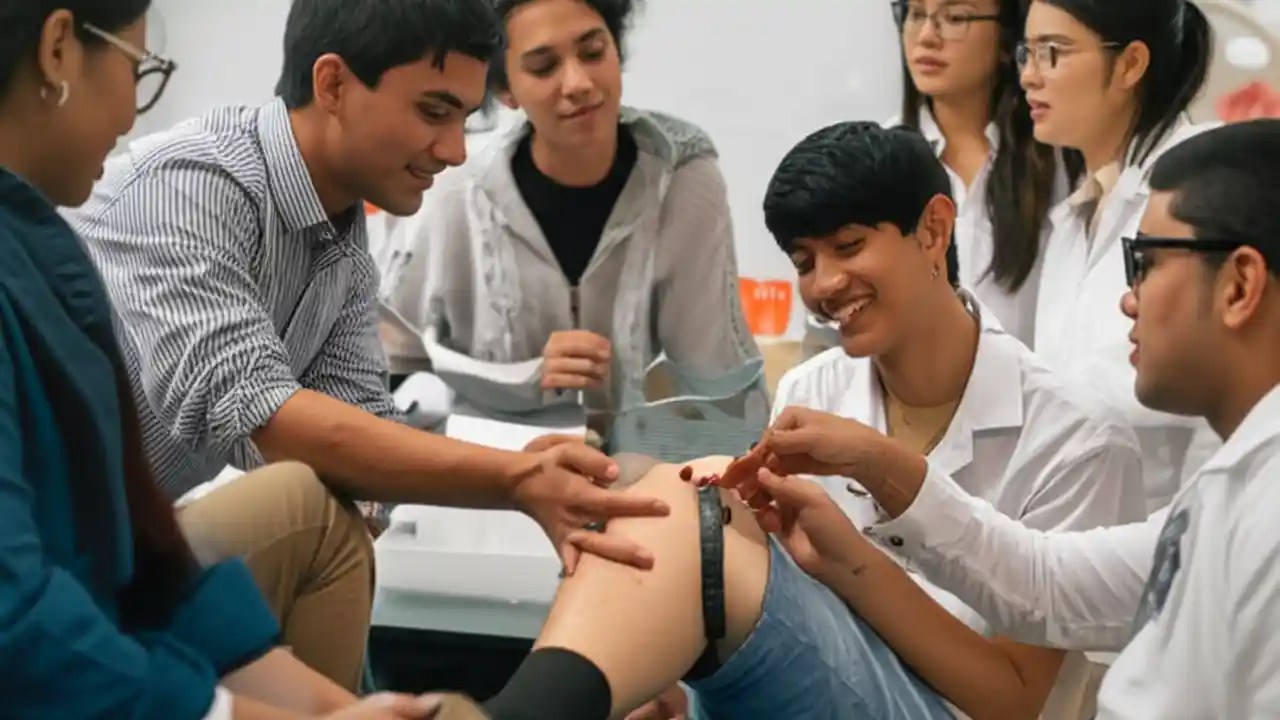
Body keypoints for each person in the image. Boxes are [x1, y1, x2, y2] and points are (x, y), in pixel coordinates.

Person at [421, 121, 1144, 720]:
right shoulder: (814, 386)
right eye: (805, 260)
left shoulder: (1076, 437)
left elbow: (1012, 701)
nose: (825, 285)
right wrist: (664, 673)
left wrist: (854, 559)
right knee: (674, 491)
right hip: (815, 687)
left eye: (850, 247)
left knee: (695, 497)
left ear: (932, 230)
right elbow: (771, 601)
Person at [63, 0, 669, 677]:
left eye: (466, 120)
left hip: (116, 554)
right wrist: (515, 477)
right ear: (333, 85)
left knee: (338, 515)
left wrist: (519, 459)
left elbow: (359, 444)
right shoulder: (188, 184)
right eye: (434, 113)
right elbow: (264, 416)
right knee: (310, 511)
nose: (456, 150)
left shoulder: (343, 245)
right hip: (48, 565)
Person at [730, 119, 1280, 718]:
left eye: (1142, 264)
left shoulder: (1088, 441)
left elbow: (1023, 671)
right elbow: (1042, 579)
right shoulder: (1226, 493)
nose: (1127, 298)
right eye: (804, 261)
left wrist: (869, 505)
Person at [0, 1, 449, 718]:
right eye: (137, 68)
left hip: (99, 592)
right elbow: (18, 626)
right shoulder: (182, 185)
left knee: (319, 508)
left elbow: (140, 564)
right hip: (50, 645)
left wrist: (328, 710)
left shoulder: (43, 249)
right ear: (58, 51)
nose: (454, 149)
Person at [372, 0, 765, 432]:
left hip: (639, 467)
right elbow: (388, 364)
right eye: (543, 67)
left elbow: (716, 379)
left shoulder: (683, 176)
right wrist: (520, 379)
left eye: (594, 52)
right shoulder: (454, 189)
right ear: (505, 90)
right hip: (487, 471)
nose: (578, 82)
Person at [1020, 0, 1219, 511]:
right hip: (1081, 535)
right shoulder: (1077, 211)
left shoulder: (1197, 187)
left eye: (1052, 53)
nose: (1028, 76)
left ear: (1130, 64)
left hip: (1174, 528)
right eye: (1026, 52)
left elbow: (1161, 385)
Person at [807, 0, 1066, 353]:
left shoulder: (1056, 160)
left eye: (955, 17)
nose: (927, 36)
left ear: (1008, 41)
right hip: (907, 398)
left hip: (1029, 400)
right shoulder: (871, 164)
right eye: (915, 14)